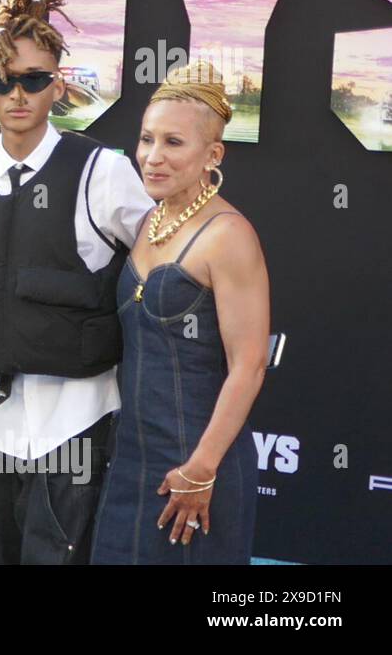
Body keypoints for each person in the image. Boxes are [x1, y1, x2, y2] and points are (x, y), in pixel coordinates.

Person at [0, 0, 153, 565]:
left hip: (78, 420)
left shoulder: (103, 171)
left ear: (59, 86)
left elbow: (163, 265)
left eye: (33, 80)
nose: (16, 95)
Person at [91, 61, 270, 564]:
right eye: (146, 139)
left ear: (213, 154)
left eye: (173, 143)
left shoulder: (228, 236)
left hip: (199, 460)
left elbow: (250, 364)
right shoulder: (151, 219)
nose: (151, 157)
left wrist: (201, 468)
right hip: (131, 458)